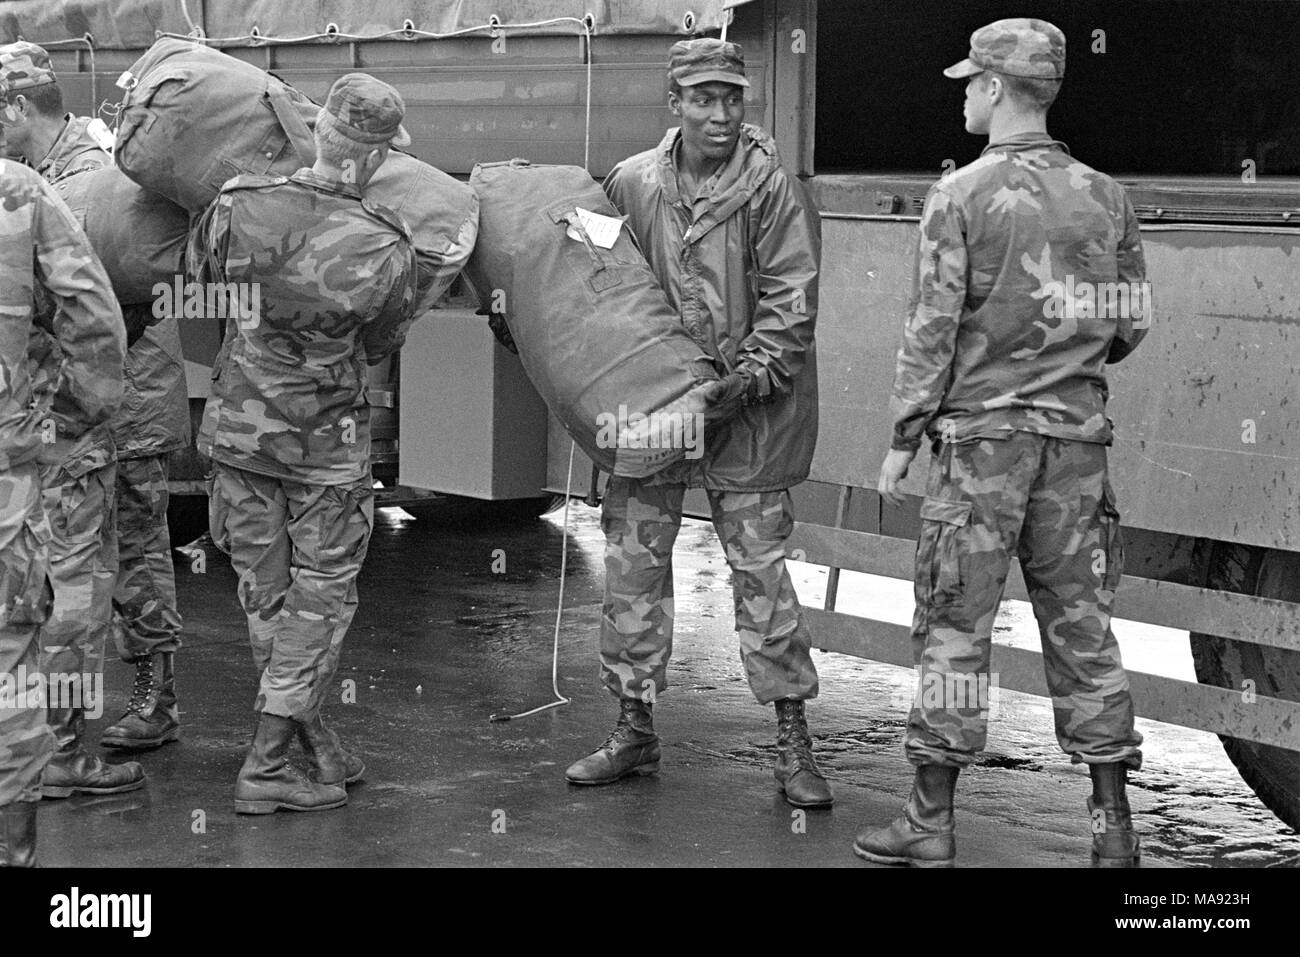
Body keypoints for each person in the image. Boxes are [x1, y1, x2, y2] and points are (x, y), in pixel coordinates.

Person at [854, 18, 1149, 867]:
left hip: (981, 449)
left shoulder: (962, 196)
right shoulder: (1106, 195)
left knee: (954, 625)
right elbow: (1129, 325)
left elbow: (932, 329)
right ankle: (1112, 830)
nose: (963, 97)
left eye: (968, 84)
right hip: (1077, 449)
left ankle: (930, 821)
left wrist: (905, 434)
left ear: (994, 89)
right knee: (1083, 627)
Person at [565, 38, 832, 809]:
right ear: (673, 103)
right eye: (703, 98)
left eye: (732, 98)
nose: (720, 113)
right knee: (634, 569)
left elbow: (793, 301)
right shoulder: (633, 184)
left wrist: (745, 381)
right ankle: (633, 728)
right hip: (655, 418)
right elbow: (597, 286)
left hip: (750, 419)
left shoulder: (772, 188)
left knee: (762, 579)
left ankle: (792, 739)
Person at [189, 73, 417, 814]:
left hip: (238, 434)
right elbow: (382, 341)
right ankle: (266, 763)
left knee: (268, 593)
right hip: (326, 449)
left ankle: (313, 736)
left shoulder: (236, 206)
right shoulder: (386, 247)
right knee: (319, 599)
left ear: (319, 130)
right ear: (378, 156)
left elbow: (199, 290)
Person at [0, 41, 191, 760]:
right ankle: (69, 718)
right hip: (79, 410)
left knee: (136, 555)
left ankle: (155, 696)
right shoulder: (44, 175)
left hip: (127, 404)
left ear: (21, 107)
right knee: (77, 565)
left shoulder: (91, 180)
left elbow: (101, 309)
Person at [0, 92, 126, 863]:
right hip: (9, 479)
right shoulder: (20, 193)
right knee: (11, 666)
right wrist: (68, 418)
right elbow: (94, 318)